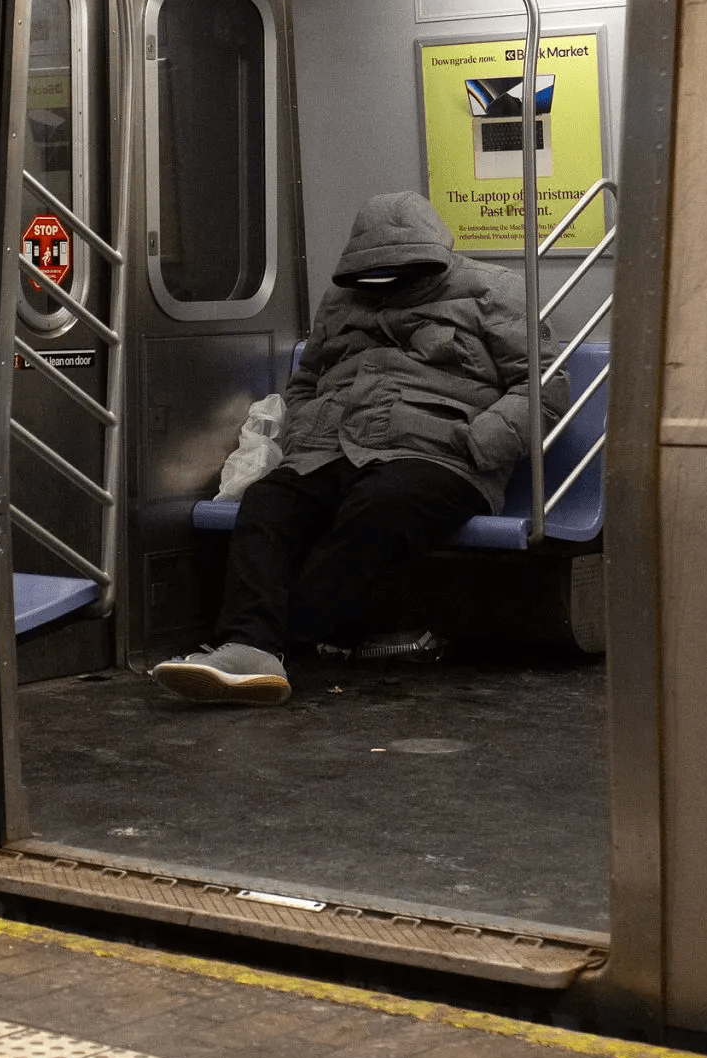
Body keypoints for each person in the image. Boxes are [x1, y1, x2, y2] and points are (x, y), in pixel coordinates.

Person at [153, 192, 566, 706]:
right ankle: (250, 647)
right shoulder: (342, 299)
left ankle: (266, 643)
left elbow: (545, 385)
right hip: (331, 448)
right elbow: (306, 380)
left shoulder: (494, 292)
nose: (385, 284)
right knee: (267, 505)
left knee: (381, 508)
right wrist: (304, 432)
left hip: (438, 453)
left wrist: (481, 441)